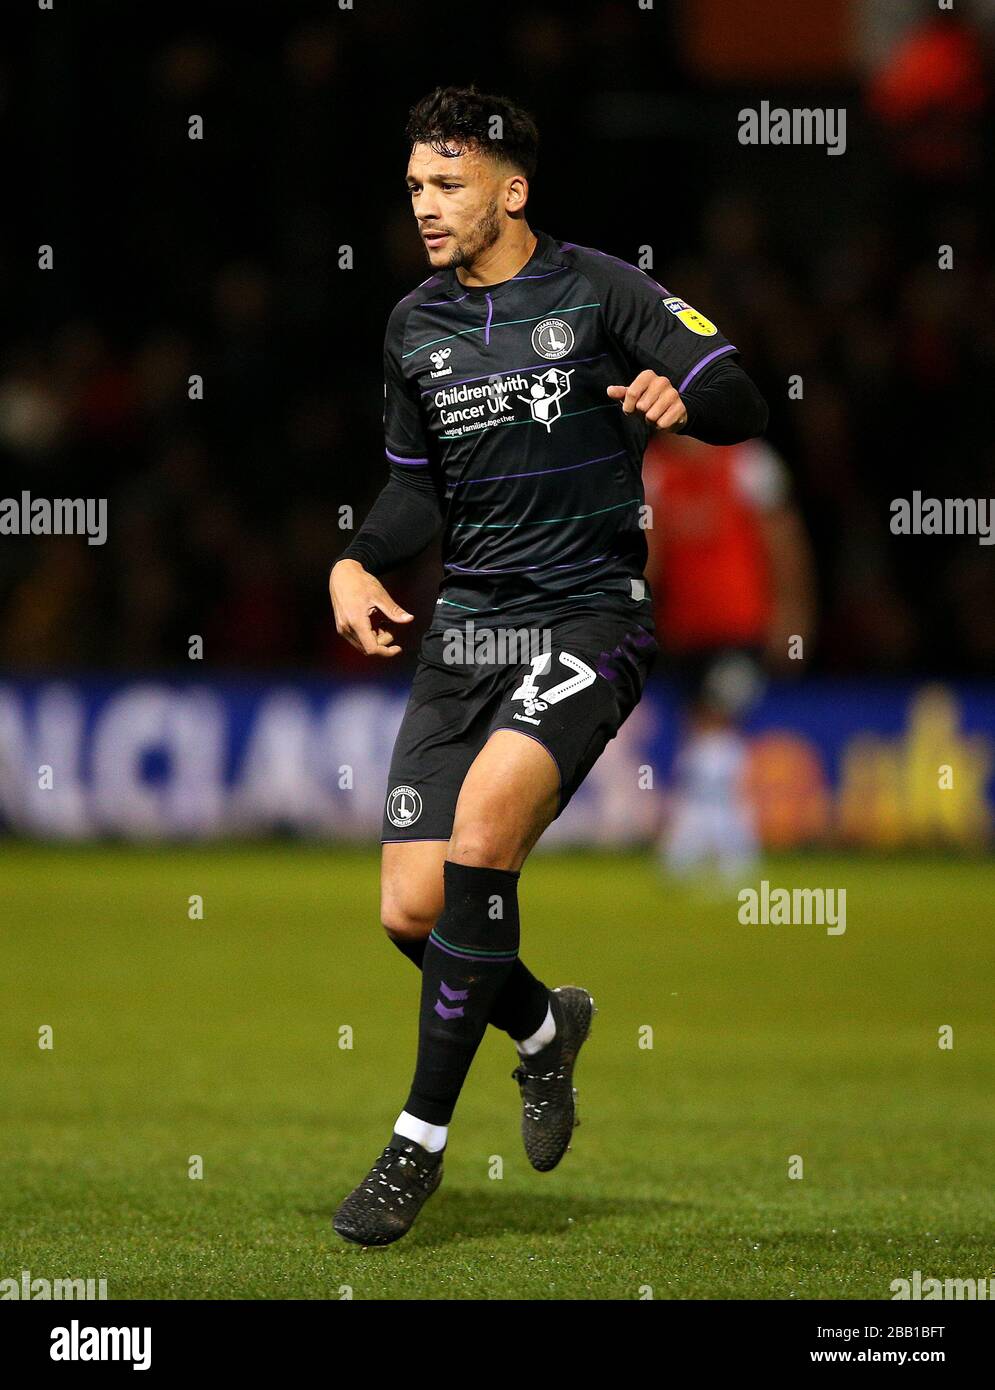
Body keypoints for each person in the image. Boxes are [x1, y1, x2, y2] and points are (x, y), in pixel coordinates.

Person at [327, 84, 768, 1245]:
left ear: (510, 190)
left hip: (586, 617)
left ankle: (412, 1148)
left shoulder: (597, 287)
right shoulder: (411, 326)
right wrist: (356, 560)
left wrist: (683, 396)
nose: (424, 204)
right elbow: (413, 488)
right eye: (417, 182)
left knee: (480, 839)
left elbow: (736, 387)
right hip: (466, 630)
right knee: (412, 909)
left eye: (449, 182)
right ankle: (540, 1029)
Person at [642, 432, 815, 879]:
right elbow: (648, 550)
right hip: (683, 628)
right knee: (700, 728)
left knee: (715, 721)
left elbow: (783, 540)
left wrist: (791, 611)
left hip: (741, 625)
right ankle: (722, 841)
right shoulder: (656, 471)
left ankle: (703, 847)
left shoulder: (749, 463)